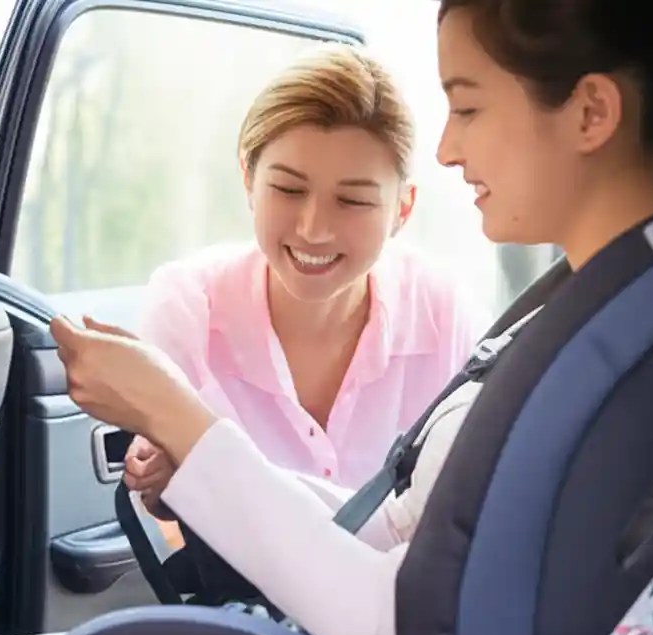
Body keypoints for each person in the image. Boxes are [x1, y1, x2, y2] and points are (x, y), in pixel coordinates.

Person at [0, 1, 653, 635]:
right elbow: (414, 536)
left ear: (593, 113)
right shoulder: (589, 310)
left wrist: (178, 413)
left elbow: (390, 621)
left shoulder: (627, 349)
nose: (450, 147)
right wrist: (195, 448)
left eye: (470, 104)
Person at [116, 45, 488, 546]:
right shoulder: (188, 305)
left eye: (352, 201)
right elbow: (168, 521)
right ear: (249, 182)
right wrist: (161, 481)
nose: (313, 229)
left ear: (403, 209)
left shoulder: (446, 315)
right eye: (288, 191)